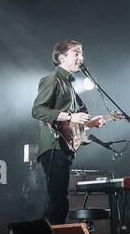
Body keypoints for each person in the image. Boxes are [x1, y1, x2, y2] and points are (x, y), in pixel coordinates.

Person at [29, 40, 107, 224]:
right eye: (76, 53)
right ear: (61, 57)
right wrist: (71, 116)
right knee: (57, 202)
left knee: (58, 201)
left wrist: (89, 124)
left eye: (82, 53)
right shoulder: (52, 80)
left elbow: (67, 125)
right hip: (54, 147)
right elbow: (37, 110)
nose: (81, 57)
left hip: (64, 148)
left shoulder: (70, 85)